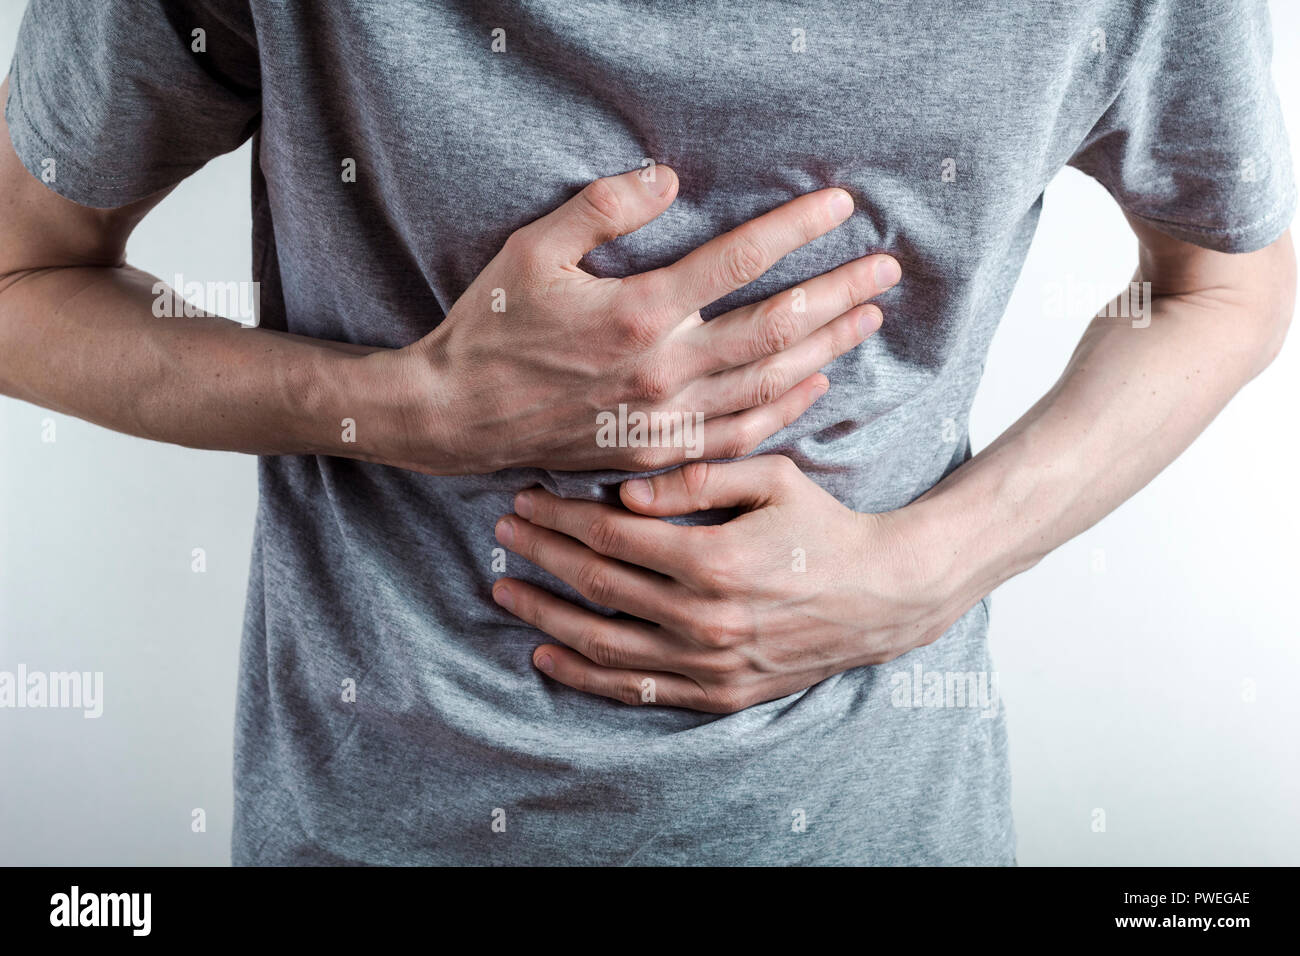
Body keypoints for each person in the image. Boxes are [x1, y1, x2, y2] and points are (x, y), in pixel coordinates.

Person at [0, 0, 1293, 865]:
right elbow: (19, 282)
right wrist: (409, 408)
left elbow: (1225, 281)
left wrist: (929, 571)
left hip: (872, 822)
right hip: (372, 824)